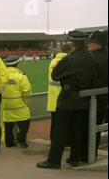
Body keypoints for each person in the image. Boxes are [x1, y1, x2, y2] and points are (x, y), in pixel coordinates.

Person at [37, 30, 97, 169]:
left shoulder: (70, 59)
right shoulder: (91, 58)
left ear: (73, 43)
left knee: (59, 131)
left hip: (68, 98)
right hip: (83, 99)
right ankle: (74, 158)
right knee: (77, 130)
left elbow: (55, 75)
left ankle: (53, 161)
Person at [81, 30, 108, 161]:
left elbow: (89, 79)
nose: (88, 44)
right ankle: (91, 154)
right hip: (102, 99)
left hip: (94, 99)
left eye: (91, 42)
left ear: (99, 44)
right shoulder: (102, 56)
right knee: (94, 128)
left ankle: (88, 155)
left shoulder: (95, 59)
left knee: (89, 128)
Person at [1, 55, 32, 148]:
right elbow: (27, 91)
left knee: (8, 124)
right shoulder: (21, 76)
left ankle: (9, 143)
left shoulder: (1, 75)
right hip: (18, 104)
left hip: (5, 104)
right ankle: (21, 139)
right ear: (17, 63)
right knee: (25, 120)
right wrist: (25, 101)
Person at [47, 43, 71, 140]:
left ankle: (53, 139)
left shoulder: (53, 61)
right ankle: (65, 140)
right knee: (66, 122)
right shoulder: (69, 61)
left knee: (55, 121)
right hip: (64, 96)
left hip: (53, 95)